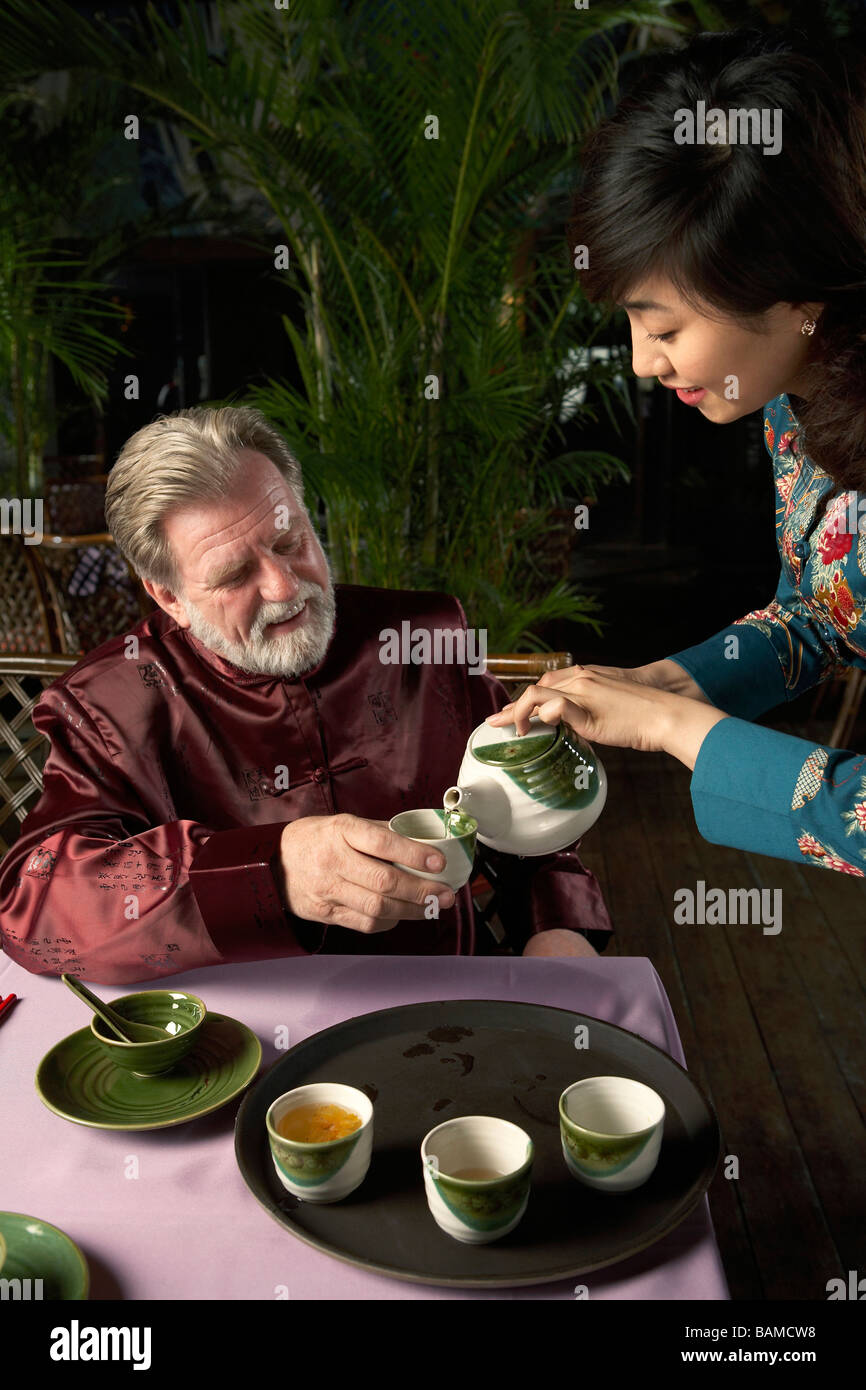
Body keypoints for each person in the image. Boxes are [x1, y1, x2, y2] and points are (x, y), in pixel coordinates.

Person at [0, 406, 613, 984]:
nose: (284, 586)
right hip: (234, 1035)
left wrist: (556, 924)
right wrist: (268, 873)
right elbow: (35, 908)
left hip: (444, 994)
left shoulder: (424, 637)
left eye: (290, 542)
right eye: (235, 575)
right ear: (168, 597)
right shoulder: (110, 702)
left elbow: (523, 824)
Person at [490, 26, 866, 879]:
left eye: (663, 327)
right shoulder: (796, 396)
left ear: (788, 289)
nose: (640, 361)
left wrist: (679, 732)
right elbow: (821, 614)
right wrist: (666, 684)